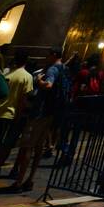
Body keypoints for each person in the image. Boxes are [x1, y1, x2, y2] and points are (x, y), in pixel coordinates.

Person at [14, 49, 62, 190]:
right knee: (39, 147)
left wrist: (39, 80)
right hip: (50, 113)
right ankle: (30, 179)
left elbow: (48, 85)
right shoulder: (64, 69)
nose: (46, 58)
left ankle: (19, 181)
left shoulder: (52, 69)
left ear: (53, 55)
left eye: (48, 55)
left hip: (39, 113)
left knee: (28, 146)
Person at [0, 49, 34, 174]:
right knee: (6, 144)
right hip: (10, 114)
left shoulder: (7, 74)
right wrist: (18, 116)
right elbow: (23, 99)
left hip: (0, 110)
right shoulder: (27, 77)